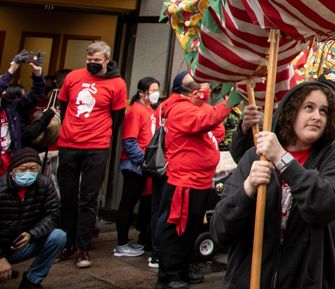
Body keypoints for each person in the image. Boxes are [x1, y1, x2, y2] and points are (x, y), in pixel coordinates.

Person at [212, 79, 335, 289]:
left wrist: (283, 160)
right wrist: (248, 188)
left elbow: (327, 206)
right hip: (250, 279)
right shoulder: (255, 157)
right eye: (309, 107)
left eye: (324, 111)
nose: (317, 117)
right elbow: (220, 230)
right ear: (291, 110)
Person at [156, 73, 237, 289]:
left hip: (200, 180)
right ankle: (168, 275)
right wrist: (229, 102)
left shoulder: (195, 107)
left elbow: (216, 129)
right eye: (202, 82)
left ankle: (182, 269)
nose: (207, 86)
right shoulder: (180, 109)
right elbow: (207, 121)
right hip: (184, 181)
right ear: (191, 89)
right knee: (177, 230)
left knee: (191, 229)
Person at [55, 40, 127, 269]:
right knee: (67, 196)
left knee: (88, 198)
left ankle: (82, 246)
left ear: (106, 60)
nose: (93, 64)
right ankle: (65, 242)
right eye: (89, 60)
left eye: (97, 61)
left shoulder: (117, 83)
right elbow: (65, 106)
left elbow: (117, 117)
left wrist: (102, 137)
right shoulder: (73, 77)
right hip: (69, 143)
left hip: (96, 146)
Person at [0, 148, 66, 289]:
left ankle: (32, 281)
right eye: (23, 169)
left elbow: (53, 215)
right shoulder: (1, 188)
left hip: (21, 245)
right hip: (2, 247)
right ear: (12, 171)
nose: (28, 173)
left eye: (33, 169)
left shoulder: (44, 184)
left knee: (58, 237)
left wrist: (32, 234)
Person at [114, 76, 159, 259]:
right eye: (153, 90)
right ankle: (121, 244)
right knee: (127, 203)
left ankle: (131, 241)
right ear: (142, 93)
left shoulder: (148, 110)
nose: (156, 94)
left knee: (137, 203)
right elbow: (130, 141)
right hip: (135, 166)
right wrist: (144, 161)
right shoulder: (136, 111)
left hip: (144, 166)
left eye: (157, 90)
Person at [0, 53, 47, 172]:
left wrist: (38, 73)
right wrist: (13, 67)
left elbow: (36, 94)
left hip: (8, 160)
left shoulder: (11, 107)